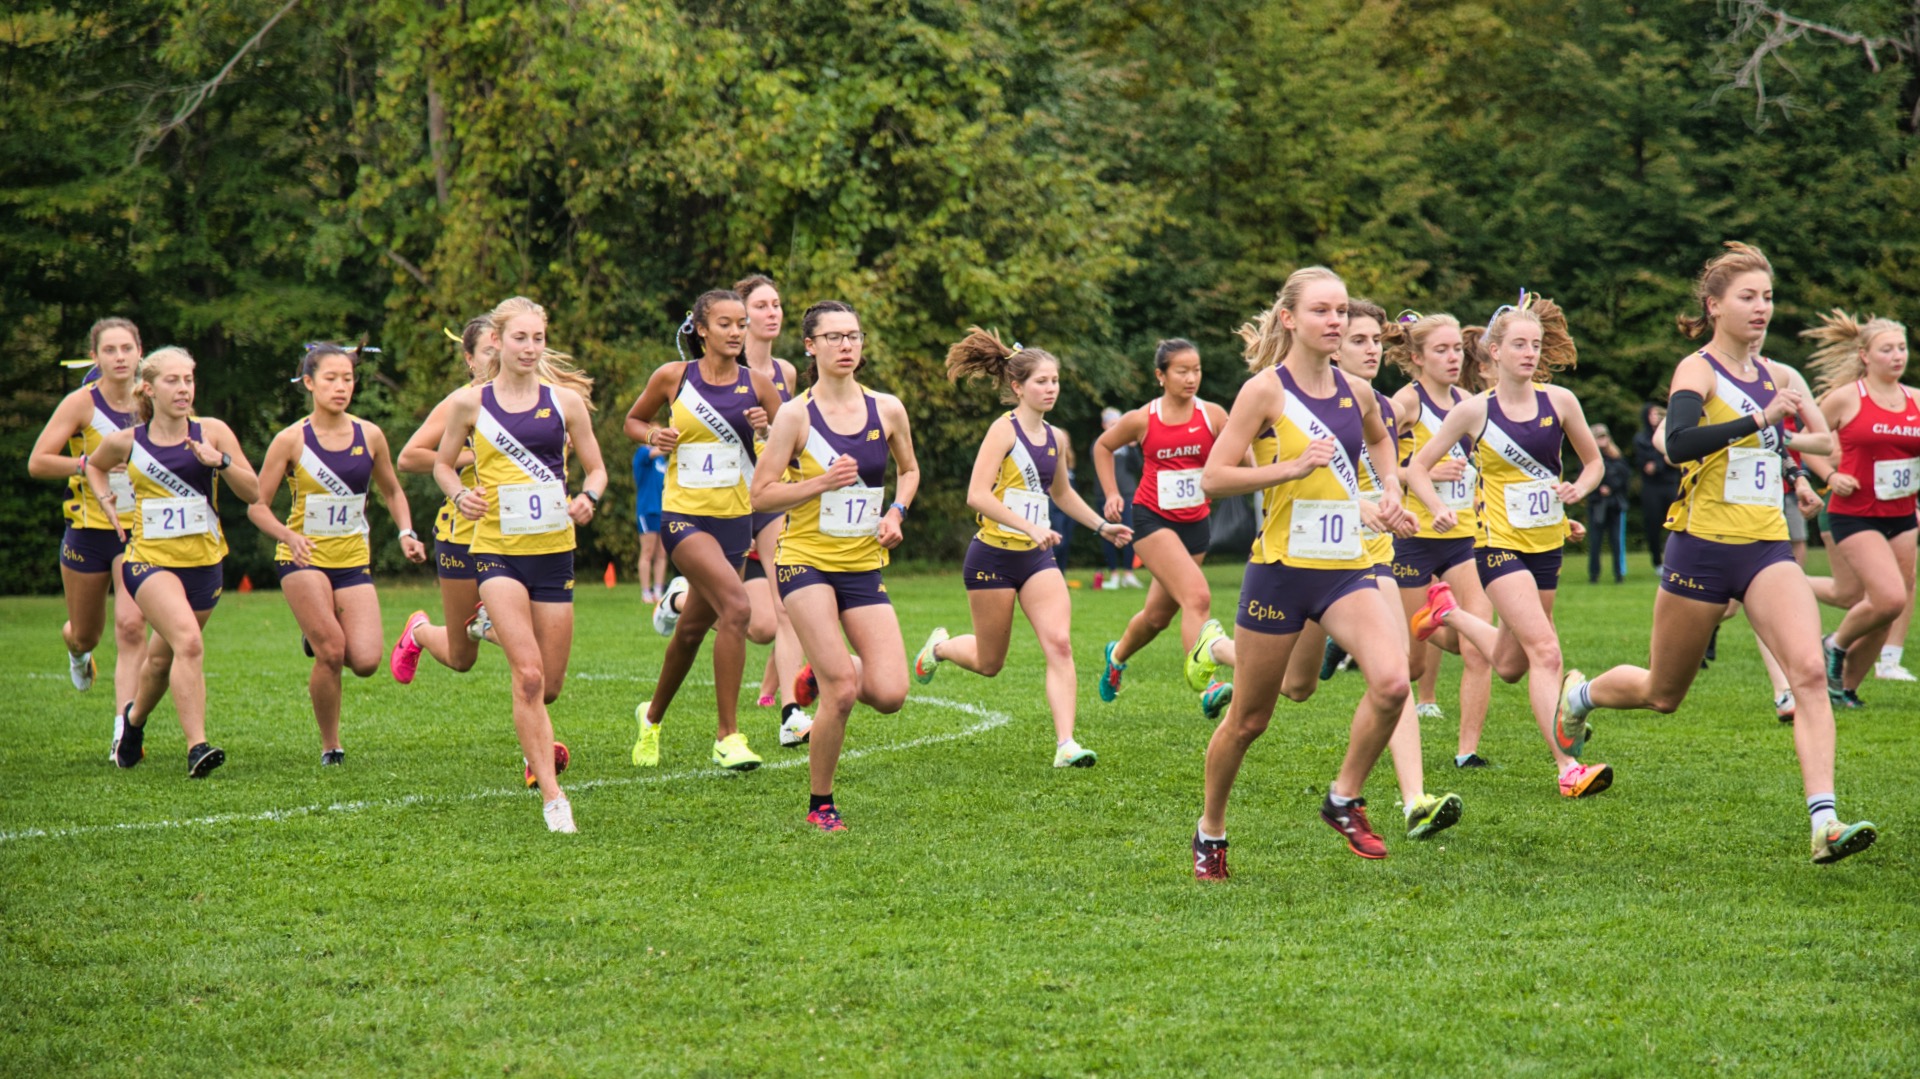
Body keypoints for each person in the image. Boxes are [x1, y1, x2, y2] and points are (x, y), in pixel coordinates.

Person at [1561, 242, 1878, 865]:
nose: (1761, 308)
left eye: (1767, 297)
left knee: (1809, 675)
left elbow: (1828, 446)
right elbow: (1677, 442)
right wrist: (1759, 422)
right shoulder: (1698, 371)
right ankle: (1579, 697)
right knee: (1663, 692)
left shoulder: (1779, 376)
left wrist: (1789, 441)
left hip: (1765, 549)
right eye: (1747, 298)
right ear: (1714, 306)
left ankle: (1825, 822)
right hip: (1700, 549)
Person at [1203, 297, 1462, 839]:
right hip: (1282, 569)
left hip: (1347, 567)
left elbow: (1380, 441)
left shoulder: (1361, 393)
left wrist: (1391, 487)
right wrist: (1290, 469)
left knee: (1393, 682)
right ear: (1291, 319)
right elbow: (1215, 478)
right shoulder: (1266, 391)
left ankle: (1344, 798)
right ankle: (1211, 828)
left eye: (1341, 311)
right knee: (1256, 716)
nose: (1336, 321)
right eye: (1323, 311)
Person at [1404, 294, 1613, 800]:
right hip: (1497, 545)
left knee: (1512, 663)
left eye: (1536, 345)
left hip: (1547, 544)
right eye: (1518, 344)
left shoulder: (1561, 401)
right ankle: (1567, 768)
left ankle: (1447, 614)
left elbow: (1593, 464)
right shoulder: (1475, 411)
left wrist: (1576, 493)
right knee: (1545, 650)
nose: (1529, 353)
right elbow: (1414, 466)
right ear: (1493, 353)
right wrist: (1434, 506)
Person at [912, 328, 1132, 768]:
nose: (1050, 388)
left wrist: (1100, 526)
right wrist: (1028, 527)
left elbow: (1062, 495)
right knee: (990, 662)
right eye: (1041, 381)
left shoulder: (1054, 437)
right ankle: (938, 649)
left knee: (1060, 644)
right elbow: (977, 495)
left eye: (1055, 381)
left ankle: (1066, 744)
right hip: (992, 557)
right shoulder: (1002, 432)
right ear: (1017, 387)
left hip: (1036, 560)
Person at [433, 296, 607, 833]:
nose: (530, 348)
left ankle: (492, 633)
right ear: (498, 343)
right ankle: (554, 799)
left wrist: (589, 499)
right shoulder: (469, 403)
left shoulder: (566, 403)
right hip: (496, 551)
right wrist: (460, 495)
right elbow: (440, 465)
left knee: (548, 685)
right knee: (527, 677)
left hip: (554, 553)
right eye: (519, 339)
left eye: (537, 339)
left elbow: (598, 470)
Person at [751, 300, 920, 830]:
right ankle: (820, 804)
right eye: (833, 337)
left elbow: (910, 470)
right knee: (845, 690)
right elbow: (761, 493)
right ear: (810, 346)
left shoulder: (887, 408)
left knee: (890, 694)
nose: (846, 346)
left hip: (863, 564)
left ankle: (819, 674)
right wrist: (819, 483)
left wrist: (897, 511)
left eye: (853, 336)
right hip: (804, 562)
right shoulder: (794, 415)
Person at [626, 289, 787, 770]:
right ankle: (728, 736)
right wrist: (654, 434)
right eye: (725, 324)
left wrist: (765, 431)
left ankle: (650, 717)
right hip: (683, 518)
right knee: (737, 607)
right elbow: (634, 420)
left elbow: (787, 453)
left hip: (736, 520)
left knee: (694, 628)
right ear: (700, 329)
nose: (737, 332)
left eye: (741, 323)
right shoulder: (673, 378)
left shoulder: (760, 386)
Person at [85, 346, 261, 777]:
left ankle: (133, 723)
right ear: (149, 388)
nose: (183, 389)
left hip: (203, 564)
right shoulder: (129, 441)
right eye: (172, 381)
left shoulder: (212, 431)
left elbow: (253, 491)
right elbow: (94, 465)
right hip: (148, 562)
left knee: (162, 660)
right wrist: (106, 500)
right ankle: (197, 746)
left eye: (189, 380)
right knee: (189, 642)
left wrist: (219, 461)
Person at [249, 343, 428, 763]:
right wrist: (288, 537)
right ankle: (332, 745)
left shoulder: (370, 435)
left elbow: (391, 490)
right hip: (302, 559)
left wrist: (406, 532)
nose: (341, 387)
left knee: (365, 661)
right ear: (309, 383)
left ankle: (316, 636)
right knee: (332, 651)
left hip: (352, 561)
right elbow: (257, 506)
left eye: (347, 378)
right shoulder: (290, 440)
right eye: (330, 379)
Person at [1383, 312, 1496, 768]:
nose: (1453, 358)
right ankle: (1431, 618)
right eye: (1441, 350)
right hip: (1413, 537)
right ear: (1416, 358)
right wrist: (1419, 470)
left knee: (1478, 645)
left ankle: (1467, 751)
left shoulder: (1469, 402)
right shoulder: (1405, 403)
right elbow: (1379, 462)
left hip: (1464, 535)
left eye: (1457, 350)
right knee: (1411, 665)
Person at [1092, 339, 1230, 706]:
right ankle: (1208, 685)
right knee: (1197, 597)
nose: (1191, 378)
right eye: (1182, 371)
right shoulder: (1143, 418)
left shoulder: (1213, 415)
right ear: (1161, 375)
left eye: (1196, 370)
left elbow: (1243, 456)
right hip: (1151, 520)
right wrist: (1111, 493)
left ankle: (1116, 656)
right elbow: (1102, 447)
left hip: (1196, 523)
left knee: (1156, 618)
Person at [28, 317, 149, 731]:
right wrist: (88, 464)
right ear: (95, 356)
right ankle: (77, 652)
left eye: (127, 348)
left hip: (139, 532)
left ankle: (125, 731)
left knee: (132, 626)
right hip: (89, 530)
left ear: (140, 353)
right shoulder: (81, 403)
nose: (120, 357)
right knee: (87, 634)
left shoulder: (156, 399)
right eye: (110, 350)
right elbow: (38, 462)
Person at [1803, 309, 1917, 706]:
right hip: (1854, 514)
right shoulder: (1847, 398)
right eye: (1887, 349)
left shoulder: (1916, 400)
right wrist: (1831, 477)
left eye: (1902, 347)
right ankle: (1834, 643)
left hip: (1903, 516)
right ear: (1866, 355)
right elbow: (1806, 441)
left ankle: (1845, 688)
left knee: (1886, 611)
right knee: (1888, 598)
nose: (1897, 355)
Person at [392, 317, 497, 680]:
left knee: (532, 629)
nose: (497, 356)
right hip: (462, 533)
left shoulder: (536, 399)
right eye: (488, 350)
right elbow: (408, 457)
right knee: (461, 658)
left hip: (515, 532)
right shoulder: (461, 402)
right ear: (469, 359)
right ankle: (419, 632)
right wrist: (472, 456)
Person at [732, 274, 811, 738]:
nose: (773, 312)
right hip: (721, 500)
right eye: (762, 305)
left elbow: (787, 441)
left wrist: (766, 432)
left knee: (787, 606)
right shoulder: (721, 366)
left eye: (777, 304)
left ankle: (789, 715)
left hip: (769, 497)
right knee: (755, 624)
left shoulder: (785, 372)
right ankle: (679, 597)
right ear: (741, 318)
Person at [1633, 401, 1680, 571]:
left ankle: (1673, 559)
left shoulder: (1670, 434)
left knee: (1674, 522)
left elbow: (1673, 457)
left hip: (1670, 483)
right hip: (1651, 486)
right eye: (1651, 414)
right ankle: (1657, 561)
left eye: (1658, 414)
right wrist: (1661, 461)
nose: (1655, 417)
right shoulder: (1641, 438)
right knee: (1652, 523)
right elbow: (1643, 462)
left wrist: (1658, 464)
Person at [1097, 407, 1141, 589]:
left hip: (1128, 494)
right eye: (1111, 423)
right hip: (1104, 496)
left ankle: (1128, 573)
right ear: (1104, 425)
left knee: (1129, 533)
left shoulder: (1128, 445)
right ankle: (1114, 573)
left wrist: (1132, 448)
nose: (1115, 426)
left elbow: (1139, 467)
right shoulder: (1099, 444)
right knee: (1108, 534)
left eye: (1118, 423)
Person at [1586, 423, 1631, 583]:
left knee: (1617, 541)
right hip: (1596, 505)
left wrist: (1610, 487)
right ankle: (1594, 574)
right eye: (1598, 438)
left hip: (1615, 506)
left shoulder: (1617, 458)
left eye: (1604, 437)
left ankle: (1619, 574)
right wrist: (1599, 489)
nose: (1602, 441)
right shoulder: (1588, 459)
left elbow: (1625, 480)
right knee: (1595, 542)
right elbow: (1584, 480)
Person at [633, 443, 668, 603]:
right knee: (648, 552)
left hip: (663, 509)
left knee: (662, 553)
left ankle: (658, 590)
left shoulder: (661, 460)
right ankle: (645, 592)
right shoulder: (643, 453)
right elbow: (655, 451)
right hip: (648, 509)